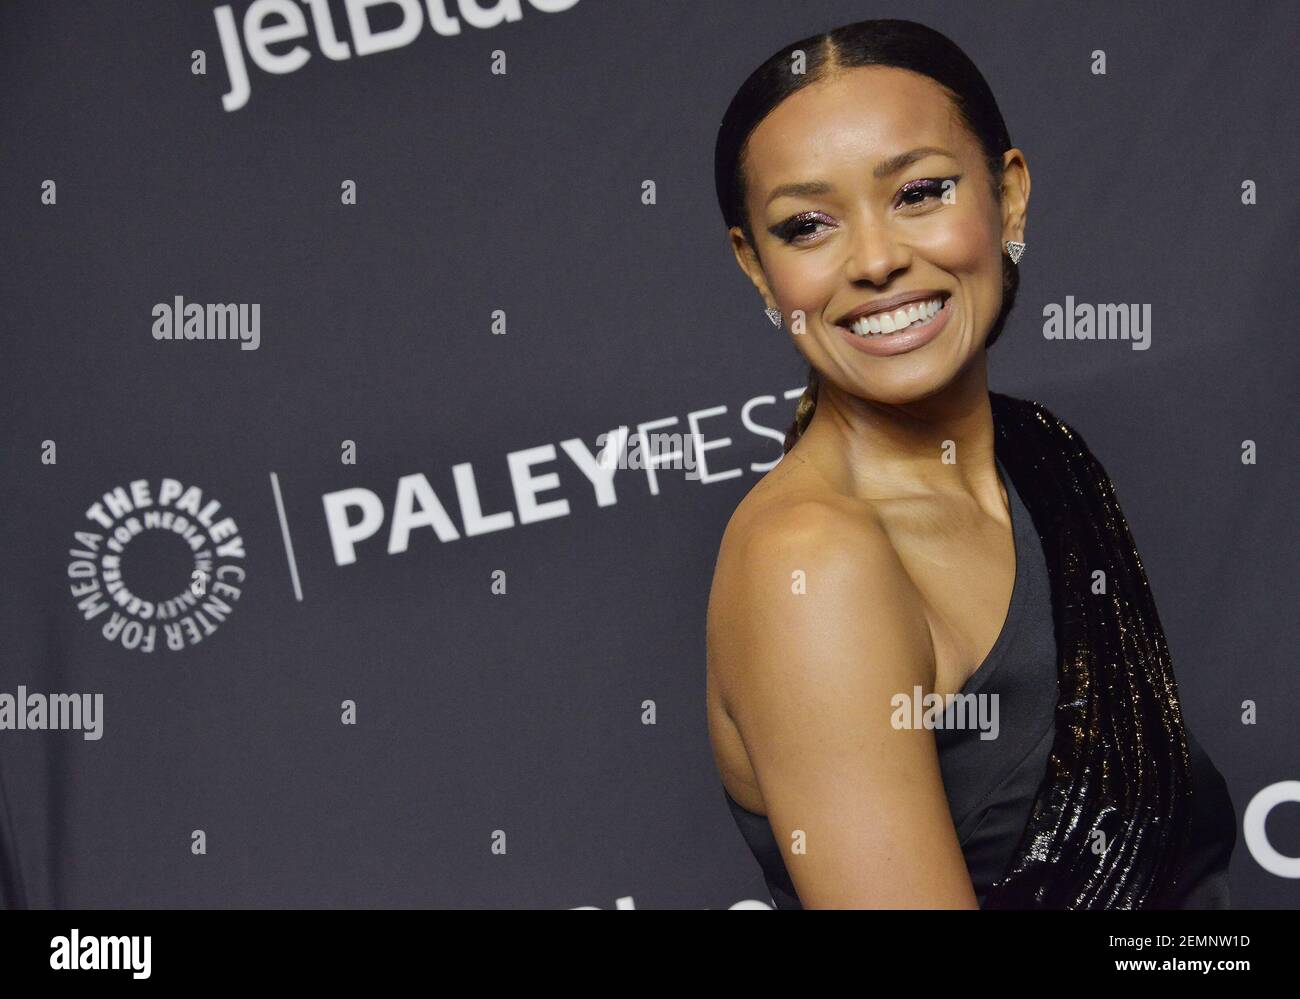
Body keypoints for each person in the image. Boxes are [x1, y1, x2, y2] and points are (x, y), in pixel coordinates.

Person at [705, 18, 1235, 909]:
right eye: (807, 224)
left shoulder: (1044, 452)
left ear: (1009, 196)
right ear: (758, 270)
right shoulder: (811, 562)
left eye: (920, 192)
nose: (876, 260)